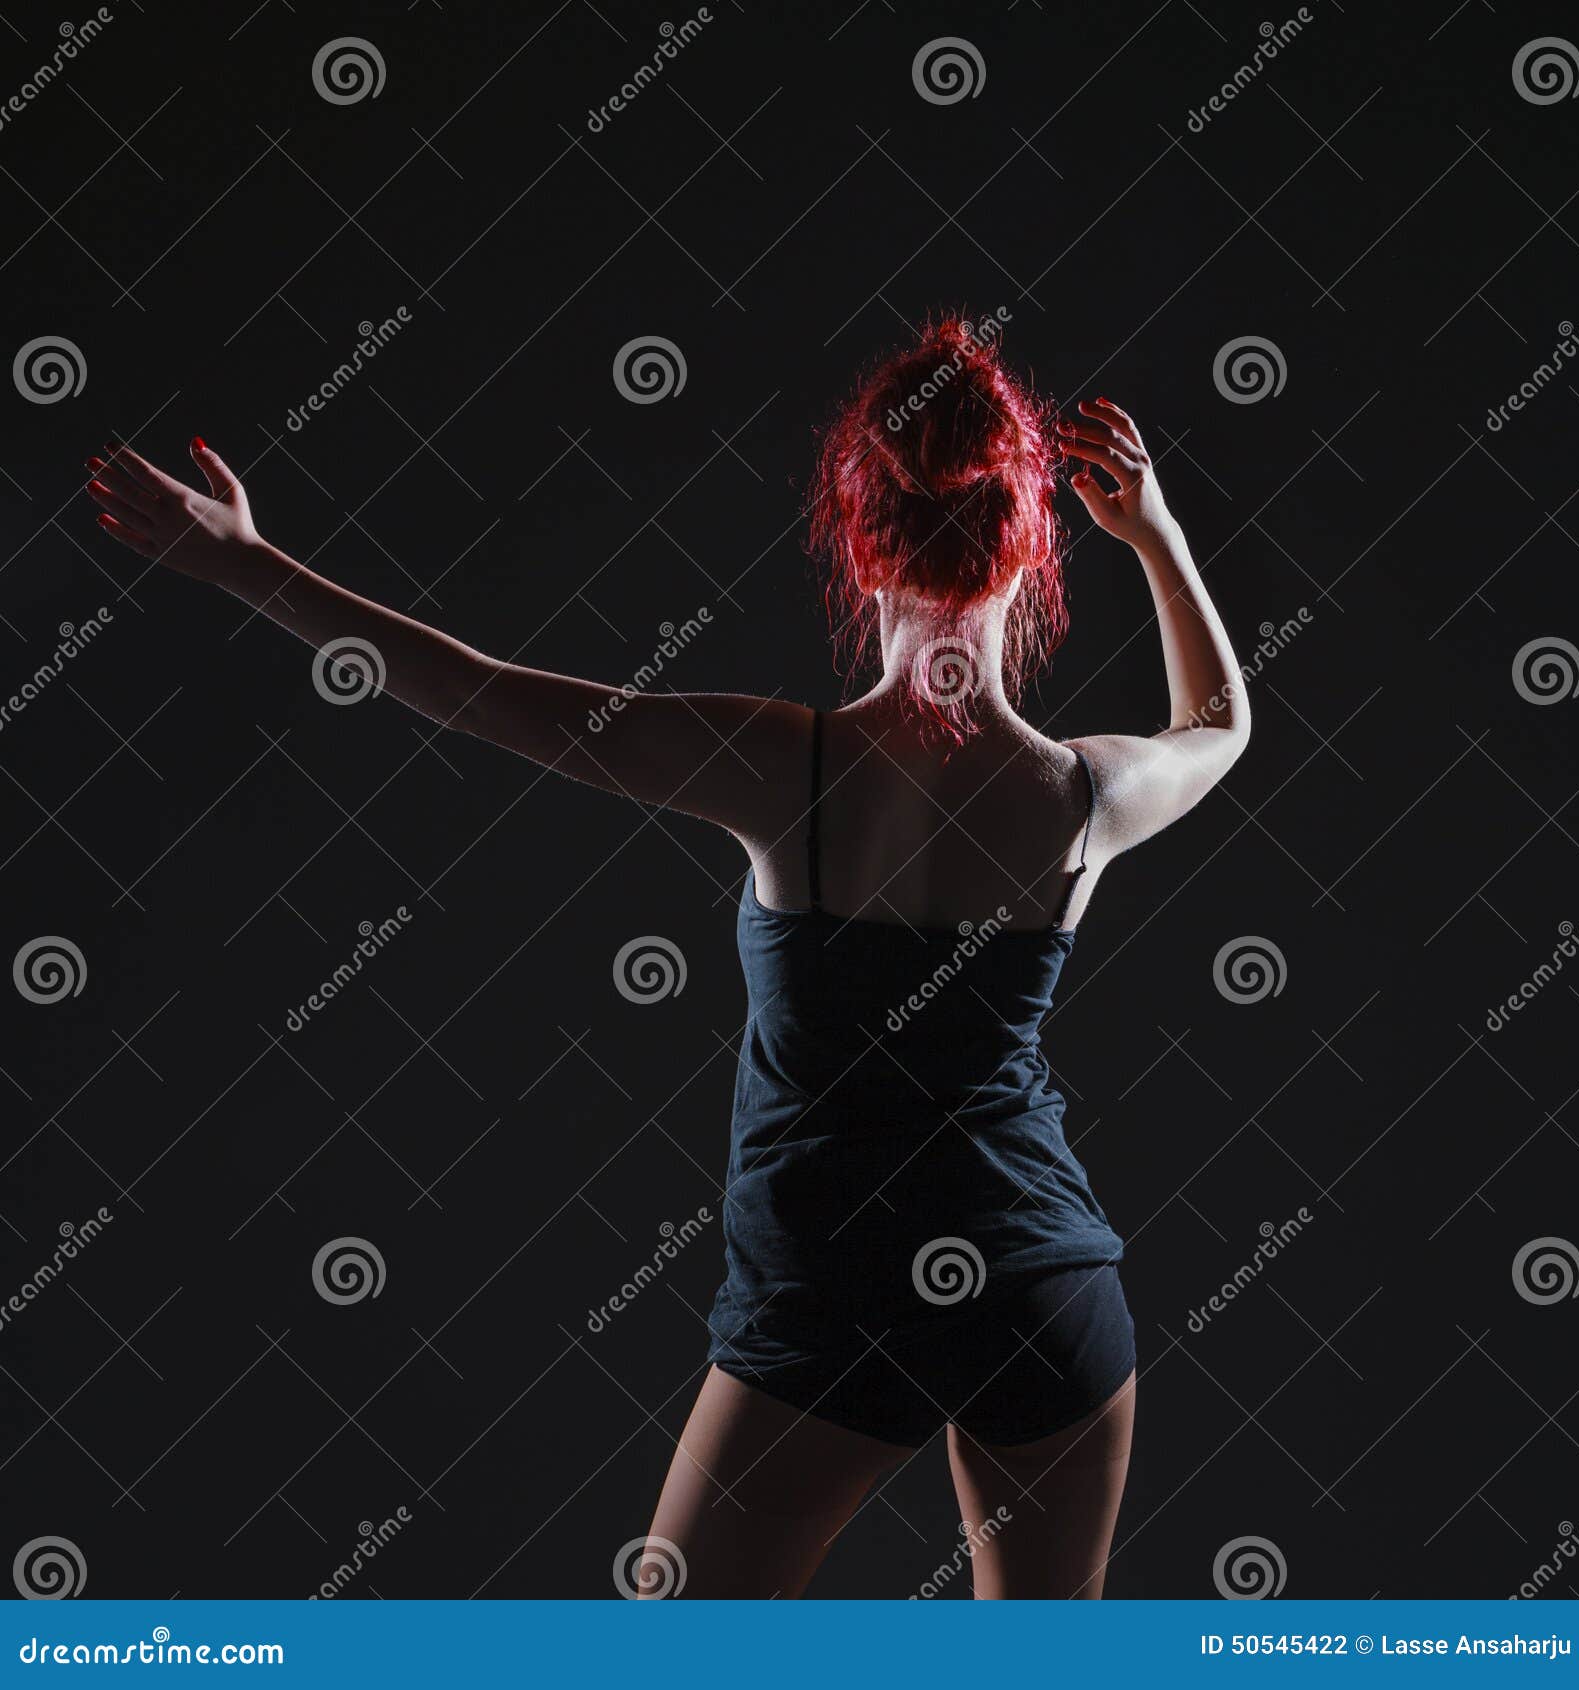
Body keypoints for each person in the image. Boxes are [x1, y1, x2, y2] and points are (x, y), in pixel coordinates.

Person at [85, 319, 1248, 1598]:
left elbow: (480, 690)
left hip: (832, 1302)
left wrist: (249, 567)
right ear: (1026, 549)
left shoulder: (783, 765)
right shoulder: (1083, 794)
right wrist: (1157, 536)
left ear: (859, 541)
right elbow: (1219, 723)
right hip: (1046, 1290)